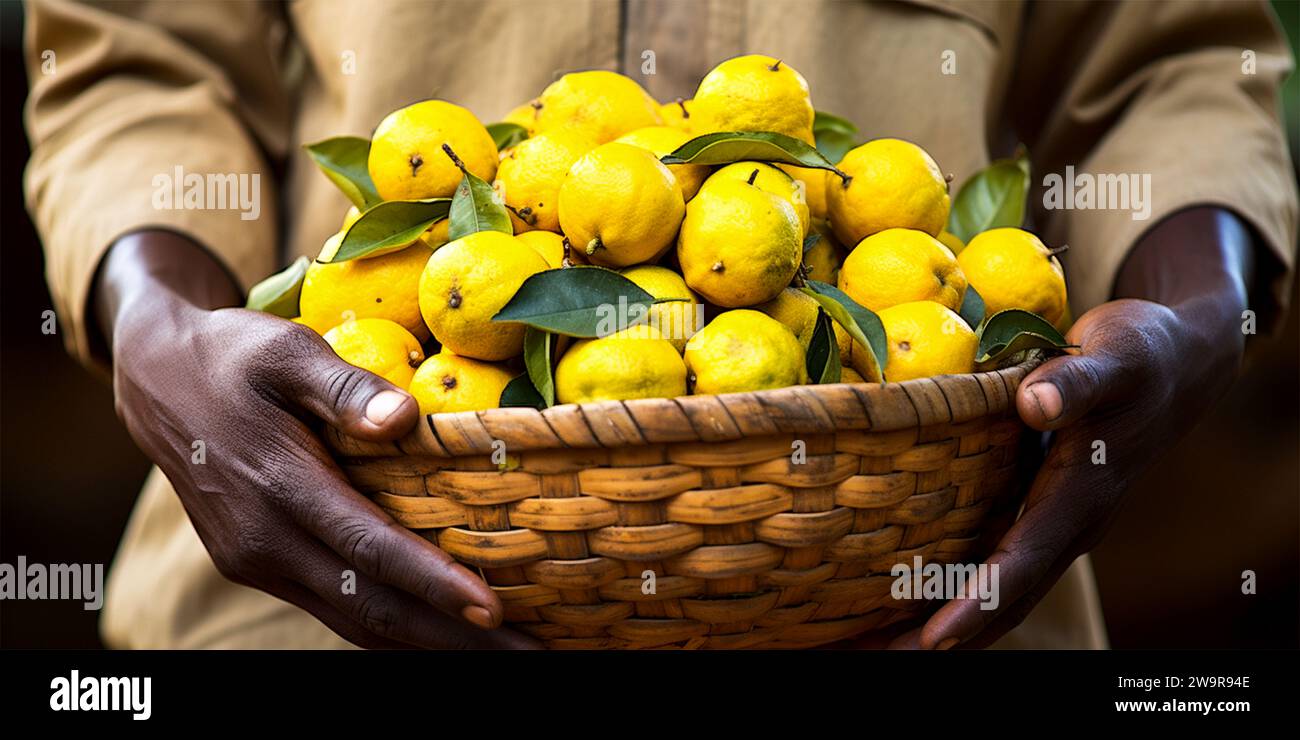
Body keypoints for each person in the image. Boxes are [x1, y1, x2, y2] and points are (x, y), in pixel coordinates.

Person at [24, 0, 1297, 650]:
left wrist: (1195, 314)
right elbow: (140, 53)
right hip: (313, 585)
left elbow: (1174, 62)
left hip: (924, 581)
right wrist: (159, 334)